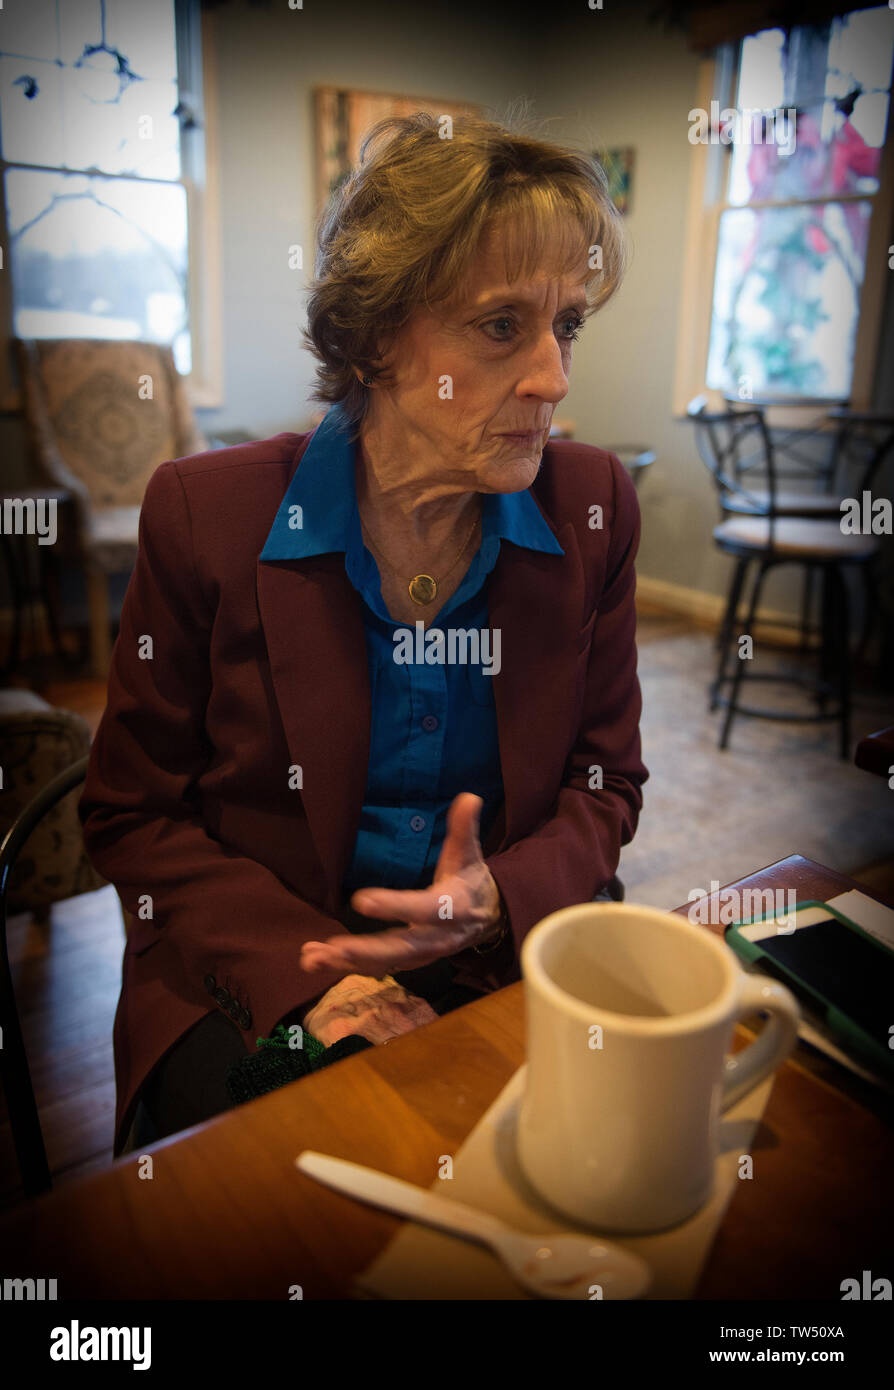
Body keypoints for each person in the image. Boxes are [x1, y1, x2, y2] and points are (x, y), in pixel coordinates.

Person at [78, 110, 649, 1156]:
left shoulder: (591, 507)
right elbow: (131, 815)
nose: (553, 379)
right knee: (303, 1196)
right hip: (258, 966)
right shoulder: (209, 516)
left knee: (597, 1166)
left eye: (565, 326)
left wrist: (499, 894)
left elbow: (608, 782)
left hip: (502, 953)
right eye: (499, 326)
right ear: (379, 335)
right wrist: (316, 974)